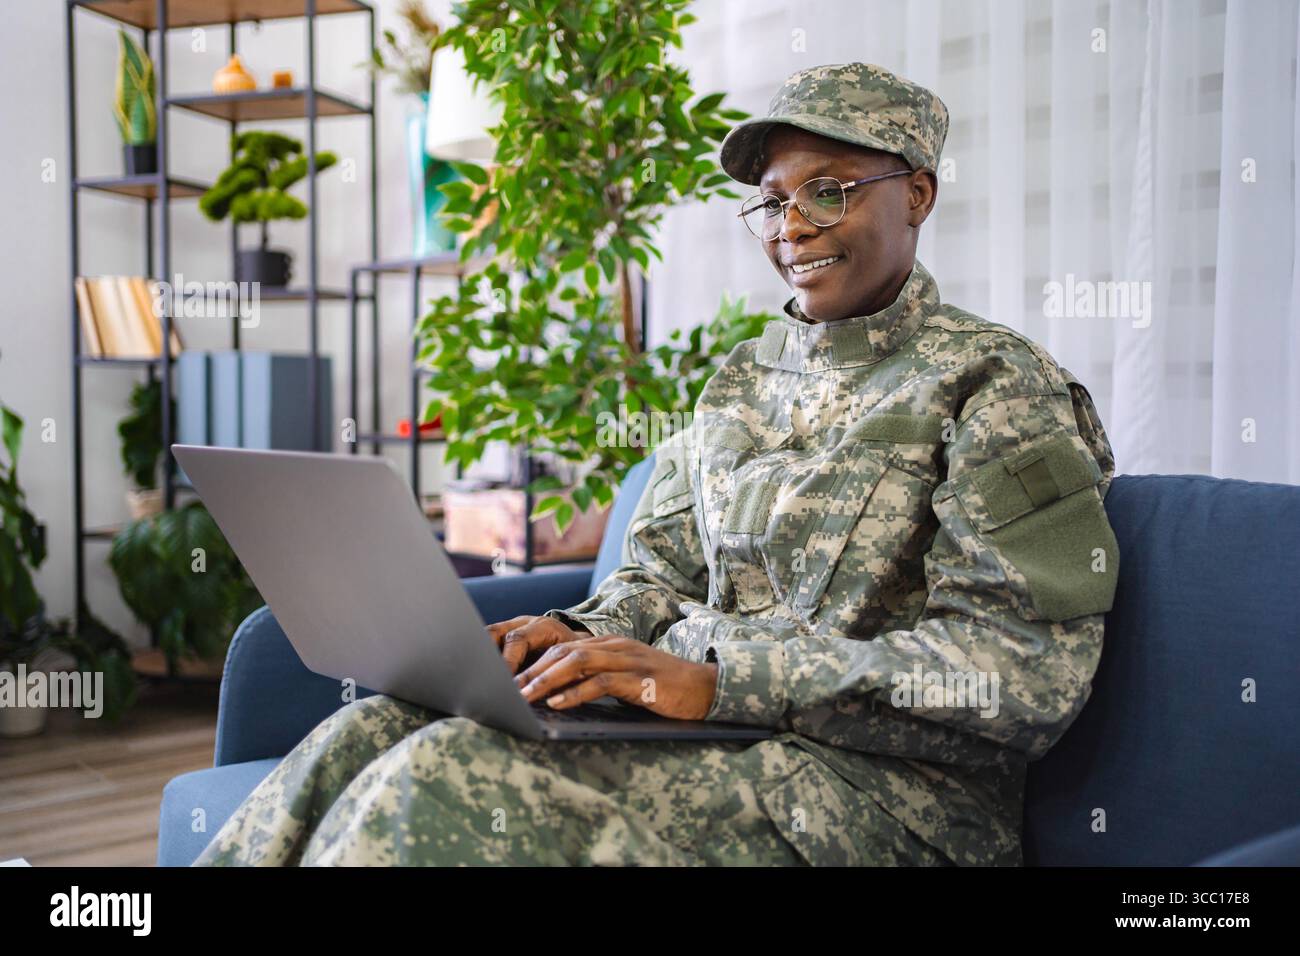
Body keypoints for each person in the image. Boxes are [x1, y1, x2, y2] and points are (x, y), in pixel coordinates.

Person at [194, 62, 1119, 867]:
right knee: (371, 728)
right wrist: (567, 633)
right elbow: (656, 576)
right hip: (715, 739)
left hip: (890, 802)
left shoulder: (997, 384)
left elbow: (1018, 673)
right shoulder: (742, 383)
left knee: (442, 777)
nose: (790, 225)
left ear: (915, 193)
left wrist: (723, 681)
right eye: (772, 200)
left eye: (827, 190)